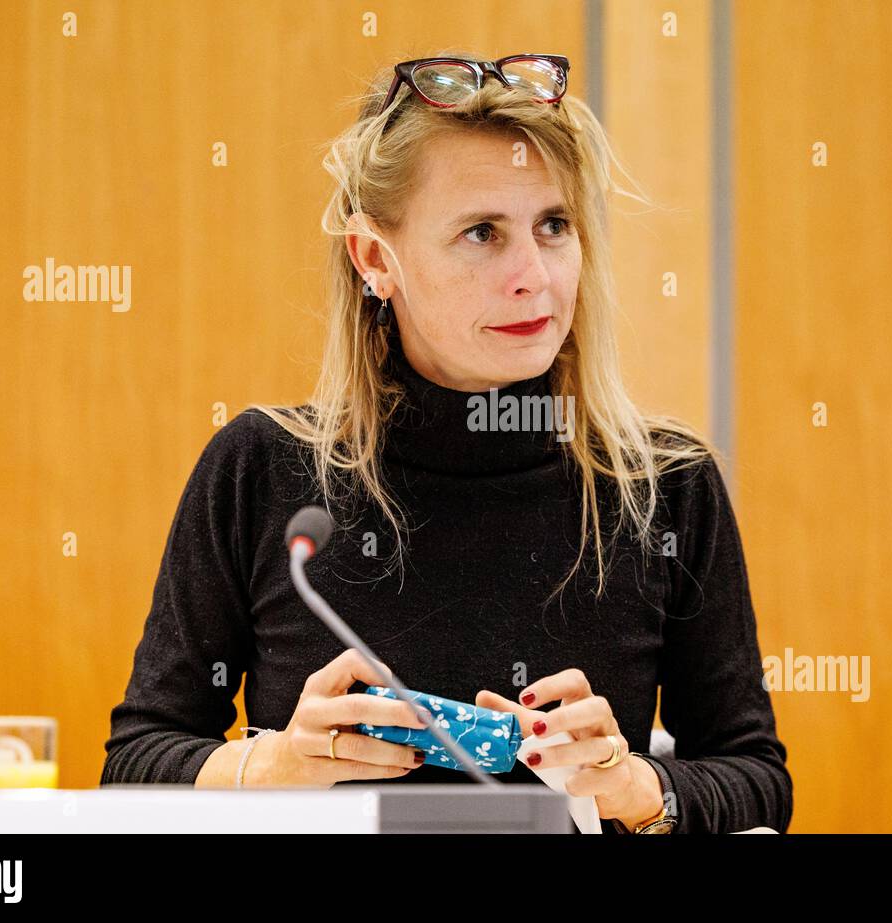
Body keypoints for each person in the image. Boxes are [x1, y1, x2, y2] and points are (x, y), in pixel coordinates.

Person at [101, 49, 792, 834]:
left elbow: (754, 775)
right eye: (481, 233)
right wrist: (276, 766)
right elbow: (134, 764)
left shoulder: (666, 483)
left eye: (553, 225)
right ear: (375, 259)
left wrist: (635, 786)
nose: (534, 274)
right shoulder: (261, 468)